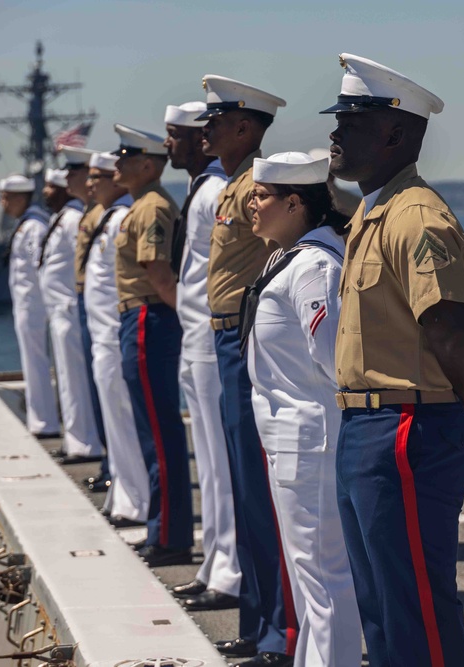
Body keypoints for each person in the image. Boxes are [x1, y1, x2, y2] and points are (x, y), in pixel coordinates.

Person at [321, 54, 464, 667]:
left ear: (394, 133)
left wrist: (461, 393)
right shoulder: (371, 209)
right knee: (382, 605)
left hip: (407, 427)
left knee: (414, 601)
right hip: (369, 425)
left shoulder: (415, 214)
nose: (334, 135)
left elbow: (446, 323)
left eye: (351, 122)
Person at [244, 151, 362, 667]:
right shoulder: (287, 256)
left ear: (295, 203)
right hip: (290, 440)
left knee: (325, 577)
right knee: (308, 576)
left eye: (262, 195)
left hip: (311, 441)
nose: (251, 201)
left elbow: (338, 360)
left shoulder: (315, 267)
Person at [196, 76, 296, 667]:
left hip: (244, 337)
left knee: (261, 490)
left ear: (245, 128)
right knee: (243, 489)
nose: (206, 129)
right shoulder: (234, 185)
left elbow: (324, 227)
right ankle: (258, 623)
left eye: (217, 120)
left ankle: (280, 632)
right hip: (225, 339)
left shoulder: (264, 184)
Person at [161, 101, 240, 612]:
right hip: (195, 334)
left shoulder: (214, 192)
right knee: (210, 461)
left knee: (223, 464)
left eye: (177, 135)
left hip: (212, 336)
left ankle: (230, 571)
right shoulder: (200, 189)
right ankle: (215, 560)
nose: (171, 143)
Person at [112, 123, 193, 568]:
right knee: (152, 430)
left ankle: (170, 537)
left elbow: (160, 274)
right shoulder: (141, 205)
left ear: (147, 164)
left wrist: (187, 317)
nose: (116, 165)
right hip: (140, 317)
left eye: (124, 159)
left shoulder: (152, 207)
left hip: (148, 318)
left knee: (159, 432)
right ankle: (164, 530)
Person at [81, 150, 147, 527]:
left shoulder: (122, 217)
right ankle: (123, 493)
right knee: (114, 423)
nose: (91, 184)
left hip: (113, 333)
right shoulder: (110, 219)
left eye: (98, 176)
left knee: (123, 420)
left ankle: (137, 502)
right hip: (101, 336)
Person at [38, 167, 103, 463]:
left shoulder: (74, 218)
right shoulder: (60, 218)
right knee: (65, 378)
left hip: (69, 309)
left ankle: (86, 443)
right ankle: (75, 438)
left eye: (51, 187)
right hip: (59, 311)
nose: (45, 192)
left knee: (76, 379)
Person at [61, 143, 111, 490]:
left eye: (92, 175)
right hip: (86, 301)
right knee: (97, 387)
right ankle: (110, 461)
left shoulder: (102, 214)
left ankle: (112, 464)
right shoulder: (91, 213)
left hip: (101, 307)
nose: (83, 181)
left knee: (105, 389)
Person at [0, 174, 60, 437]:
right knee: (32, 362)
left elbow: (41, 266)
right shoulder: (27, 224)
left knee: (37, 362)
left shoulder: (34, 227)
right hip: (28, 305)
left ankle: (45, 423)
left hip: (35, 305)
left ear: (21, 198)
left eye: (6, 198)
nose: (3, 204)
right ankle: (40, 420)